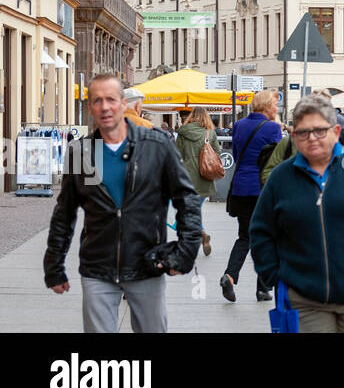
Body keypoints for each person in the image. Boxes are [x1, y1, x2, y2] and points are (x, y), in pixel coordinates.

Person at [44, 74, 201, 333]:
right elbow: (65, 213)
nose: (104, 107)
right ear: (90, 107)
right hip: (97, 267)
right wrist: (54, 266)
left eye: (111, 99)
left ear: (123, 103)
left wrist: (184, 254)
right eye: (97, 101)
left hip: (146, 264)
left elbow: (187, 200)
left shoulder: (156, 146)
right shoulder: (82, 152)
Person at [250, 94, 344, 332]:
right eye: (303, 132)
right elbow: (260, 231)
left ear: (336, 131)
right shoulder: (281, 177)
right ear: (294, 135)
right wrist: (276, 276)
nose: (312, 138)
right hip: (306, 300)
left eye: (320, 130)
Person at [221, 89, 282, 302]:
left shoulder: (238, 125)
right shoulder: (273, 128)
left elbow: (237, 155)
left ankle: (229, 275)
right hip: (262, 189)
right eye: (275, 105)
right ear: (266, 106)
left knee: (245, 236)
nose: (277, 109)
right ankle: (263, 288)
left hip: (240, 187)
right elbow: (275, 161)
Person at [175, 107, 220, 257]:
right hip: (204, 178)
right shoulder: (210, 133)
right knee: (195, 210)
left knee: (188, 211)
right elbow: (217, 154)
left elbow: (177, 156)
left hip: (186, 178)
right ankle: (200, 234)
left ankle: (200, 234)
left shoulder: (182, 132)